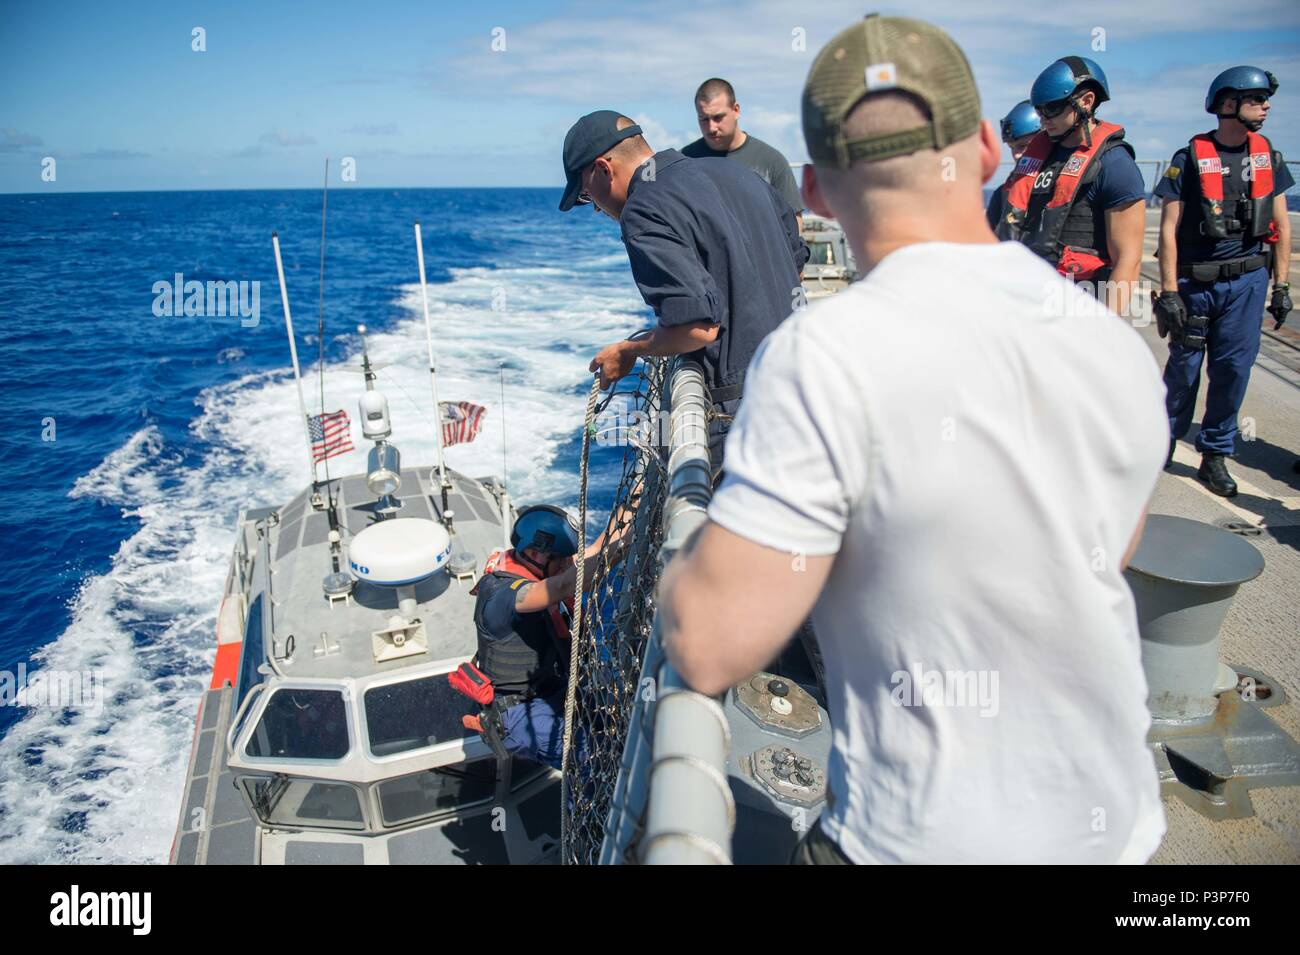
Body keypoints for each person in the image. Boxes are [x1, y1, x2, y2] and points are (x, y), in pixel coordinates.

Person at [659, 14, 1168, 865]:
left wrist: (679, 554)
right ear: (984, 148)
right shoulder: (1112, 342)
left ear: (815, 189)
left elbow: (710, 644)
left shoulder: (820, 360)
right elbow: (1111, 548)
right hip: (1115, 834)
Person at [558, 110, 809, 476]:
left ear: (602, 169)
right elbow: (795, 262)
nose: (595, 208)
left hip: (744, 412)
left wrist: (628, 351)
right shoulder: (737, 174)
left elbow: (697, 328)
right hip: (803, 380)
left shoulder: (643, 209)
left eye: (585, 195)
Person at [1152, 65, 1293, 497]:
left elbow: (1282, 226)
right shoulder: (1188, 159)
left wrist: (1281, 286)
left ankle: (1214, 455)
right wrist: (1170, 292)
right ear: (1229, 105)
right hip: (1196, 284)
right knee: (1184, 368)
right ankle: (1163, 443)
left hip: (1247, 283)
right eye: (1256, 100)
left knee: (1233, 370)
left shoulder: (1269, 156)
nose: (1266, 107)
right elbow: (1169, 230)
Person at [468, 505, 622, 769]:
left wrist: (636, 504)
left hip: (550, 690)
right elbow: (566, 584)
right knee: (593, 759)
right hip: (517, 712)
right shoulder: (503, 594)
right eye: (560, 559)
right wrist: (625, 545)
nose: (566, 565)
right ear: (534, 553)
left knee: (617, 720)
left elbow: (596, 550)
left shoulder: (543, 568)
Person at [995, 57, 1146, 316]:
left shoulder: (1115, 166)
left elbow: (1127, 261)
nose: (1043, 119)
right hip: (1031, 304)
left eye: (1052, 109)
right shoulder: (1037, 158)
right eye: (1039, 110)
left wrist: (1106, 327)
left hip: (1082, 307)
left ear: (1086, 101)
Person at [683, 77, 804, 226]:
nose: (711, 127)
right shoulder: (684, 162)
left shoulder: (771, 161)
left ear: (736, 110)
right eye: (703, 119)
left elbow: (794, 223)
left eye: (718, 117)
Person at [985, 100, 1041, 229]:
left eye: (1023, 146)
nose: (1017, 155)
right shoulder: (1001, 195)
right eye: (1012, 148)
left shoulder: (1065, 187)